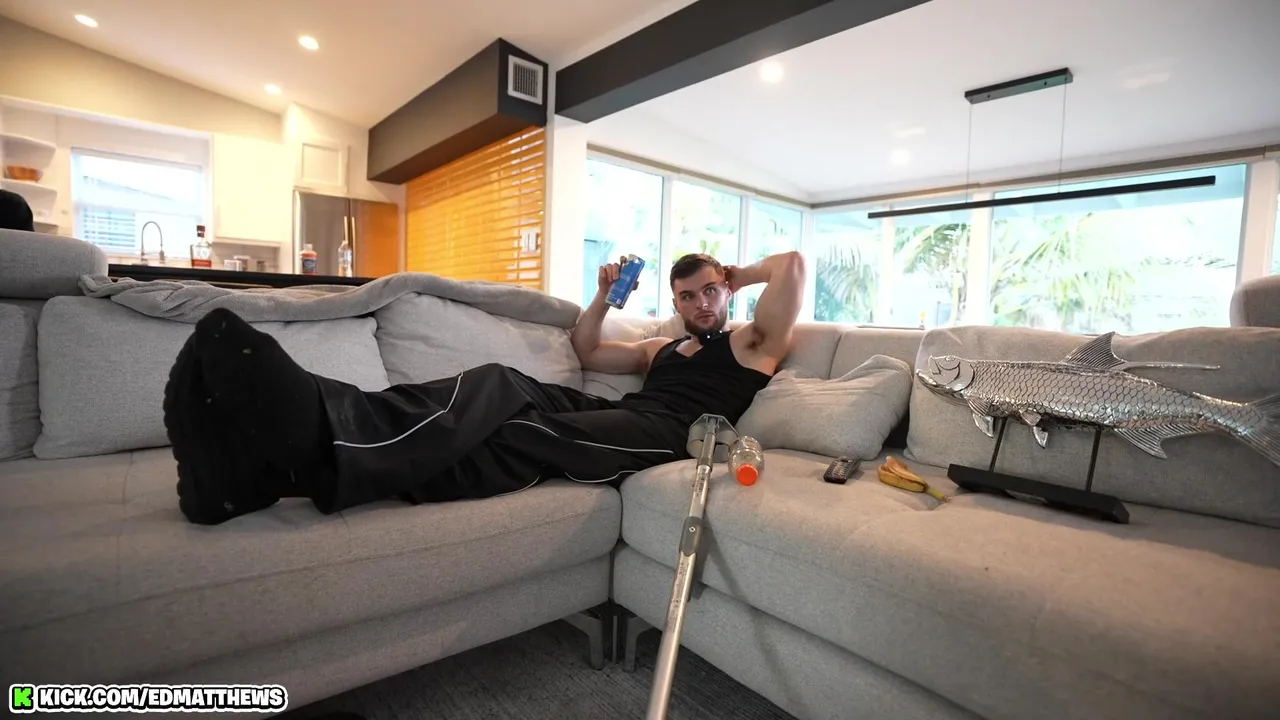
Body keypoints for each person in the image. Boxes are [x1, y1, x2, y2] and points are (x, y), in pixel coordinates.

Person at [165, 251, 805, 525]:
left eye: (710, 291)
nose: (700, 303)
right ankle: (309, 441)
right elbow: (587, 348)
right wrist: (603, 297)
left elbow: (794, 266)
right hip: (624, 411)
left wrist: (736, 273)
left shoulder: (751, 344)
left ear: (725, 290)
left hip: (669, 438)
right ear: (675, 302)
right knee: (501, 383)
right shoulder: (661, 348)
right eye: (688, 295)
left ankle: (291, 460)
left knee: (519, 433)